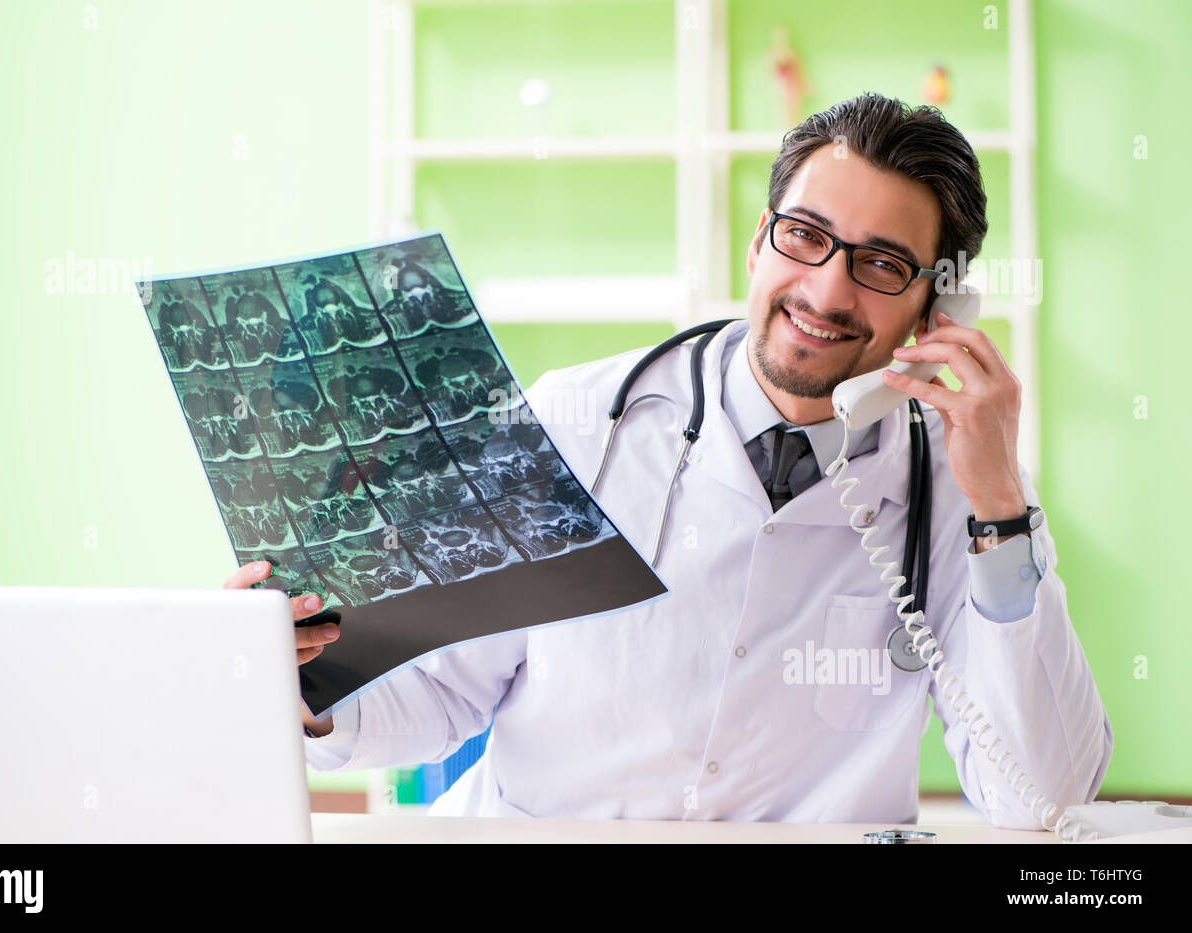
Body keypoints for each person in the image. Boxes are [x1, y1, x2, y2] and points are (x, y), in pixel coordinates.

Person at [224, 93, 1112, 825]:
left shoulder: (964, 488)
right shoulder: (574, 421)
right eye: (807, 234)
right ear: (761, 237)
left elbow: (1040, 793)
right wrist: (310, 676)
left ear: (938, 305)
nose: (828, 289)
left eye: (883, 263)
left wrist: (998, 501)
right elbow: (438, 699)